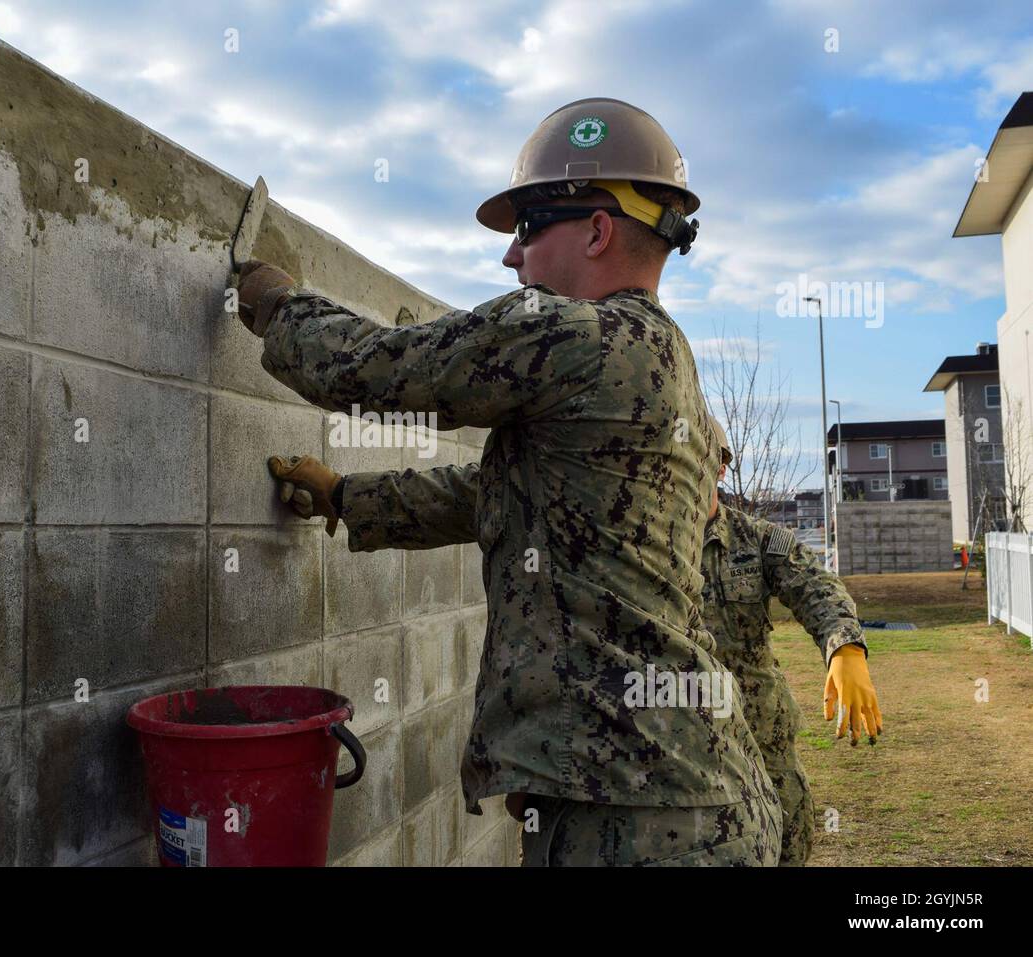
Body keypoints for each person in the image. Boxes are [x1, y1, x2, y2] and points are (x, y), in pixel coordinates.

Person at [237, 98, 779, 866]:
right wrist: (344, 497)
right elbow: (502, 497)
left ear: (597, 229)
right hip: (693, 799)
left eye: (529, 227)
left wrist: (273, 302)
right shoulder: (666, 361)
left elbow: (378, 369)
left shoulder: (572, 335)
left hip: (632, 816)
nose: (510, 257)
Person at [700, 416, 883, 865]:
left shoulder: (758, 539)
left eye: (701, 459)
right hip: (674, 734)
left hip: (759, 733)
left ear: (721, 467)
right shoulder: (645, 543)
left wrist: (844, 646)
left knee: (787, 841)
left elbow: (817, 587)